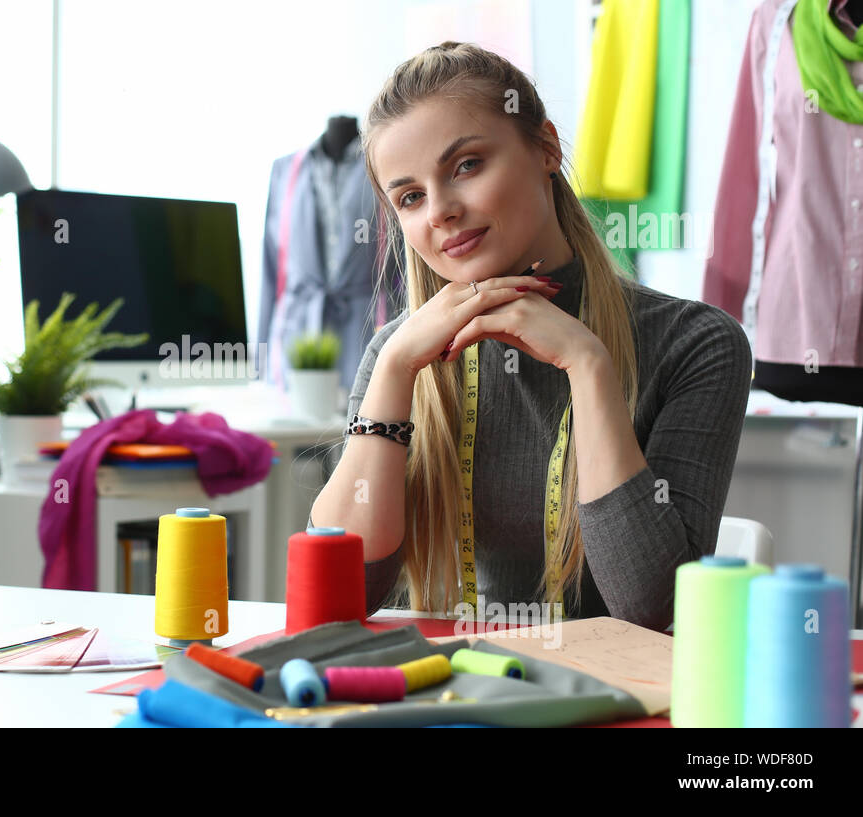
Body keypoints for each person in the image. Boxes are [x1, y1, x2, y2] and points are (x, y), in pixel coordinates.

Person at [309, 42, 752, 631]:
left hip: (617, 703)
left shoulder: (695, 344)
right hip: (453, 697)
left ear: (546, 147)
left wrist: (588, 365)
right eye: (410, 197)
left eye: (466, 165)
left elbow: (653, 610)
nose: (439, 211)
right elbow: (337, 600)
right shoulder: (401, 355)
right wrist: (391, 375)